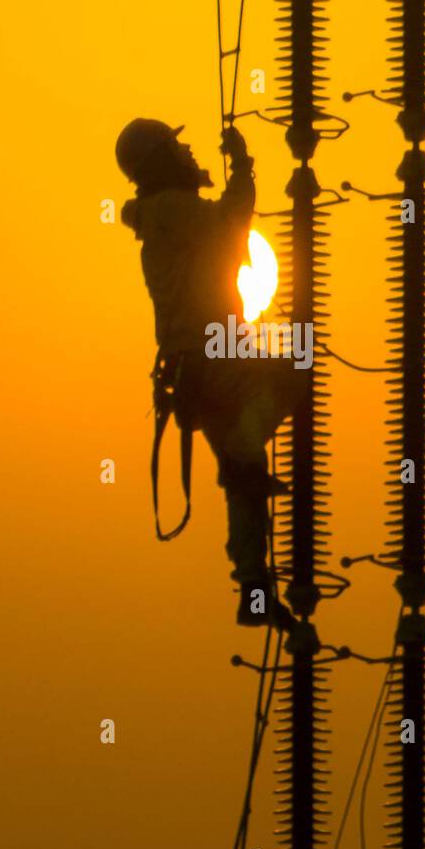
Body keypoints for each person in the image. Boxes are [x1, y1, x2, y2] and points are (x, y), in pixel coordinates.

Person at [117, 117, 300, 629]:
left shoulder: (164, 216)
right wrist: (242, 164)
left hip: (196, 369)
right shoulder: (175, 212)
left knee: (243, 484)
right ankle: (243, 454)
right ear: (161, 160)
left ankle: (255, 592)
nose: (188, 151)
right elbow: (234, 218)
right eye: (177, 147)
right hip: (215, 359)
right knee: (294, 368)